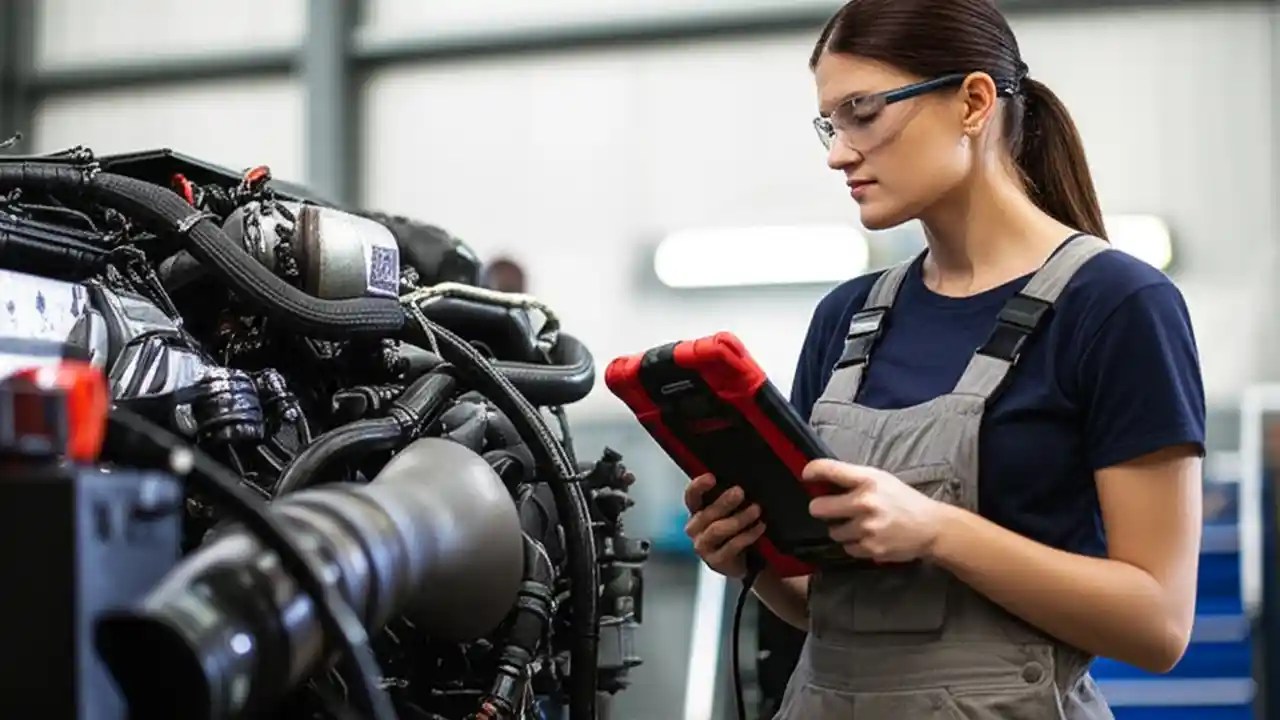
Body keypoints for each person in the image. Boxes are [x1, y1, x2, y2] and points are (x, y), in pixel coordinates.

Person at [681, 1, 1205, 718]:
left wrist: (937, 529)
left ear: (973, 101)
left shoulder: (1116, 305)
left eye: (863, 111)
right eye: (831, 124)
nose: (839, 152)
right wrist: (752, 560)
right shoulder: (846, 319)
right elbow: (832, 609)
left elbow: (1158, 625)